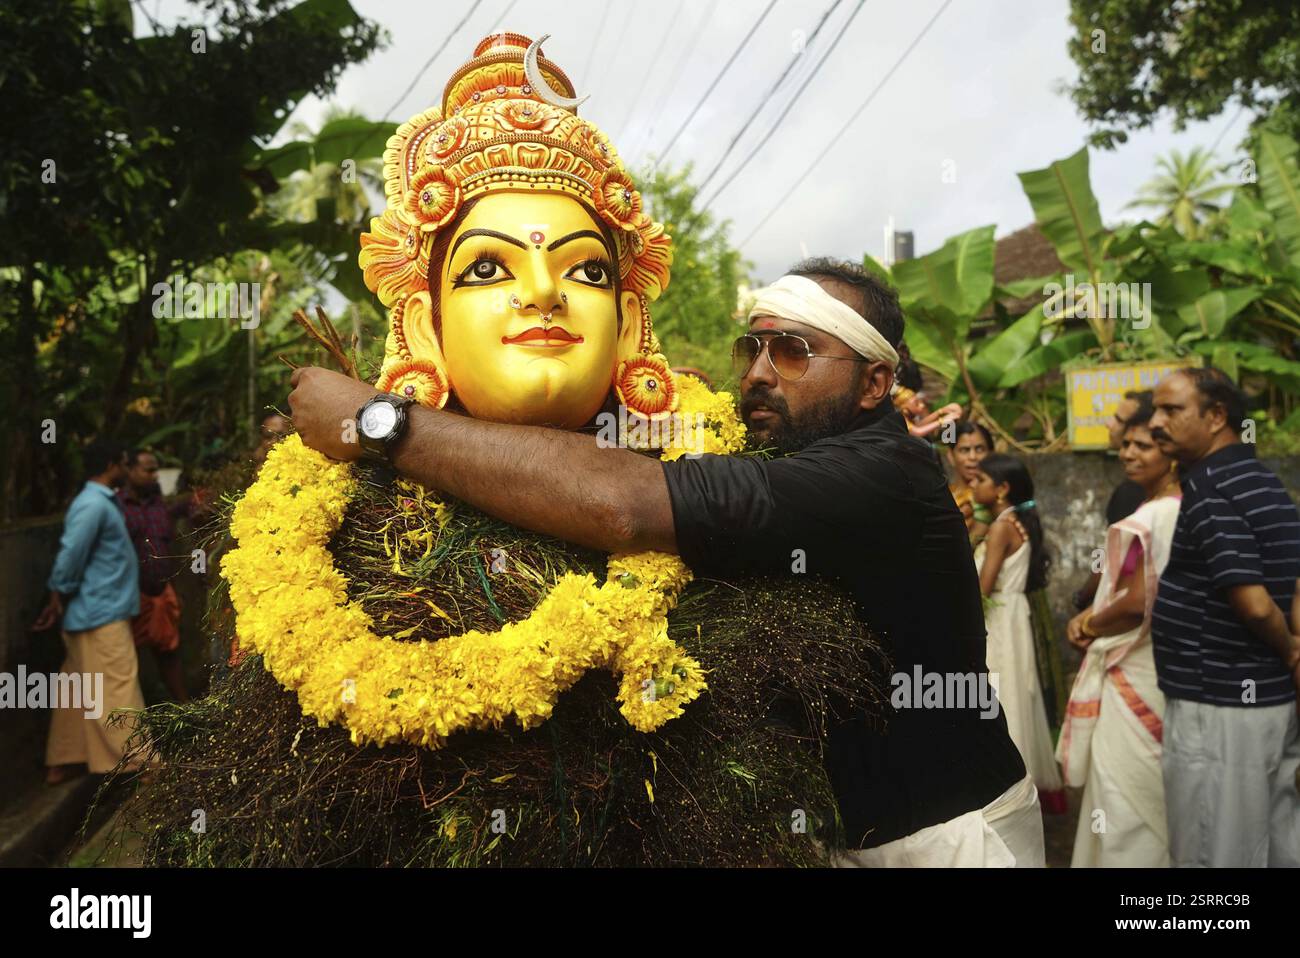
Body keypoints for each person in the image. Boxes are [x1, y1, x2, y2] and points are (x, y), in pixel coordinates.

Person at [290, 251, 1042, 866]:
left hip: (945, 840)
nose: (757, 373)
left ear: (877, 382)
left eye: (793, 351)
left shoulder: (882, 474)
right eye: (753, 347)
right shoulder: (772, 450)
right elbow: (609, 453)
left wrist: (377, 424)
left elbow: (626, 503)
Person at [1150, 367, 1300, 867]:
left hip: (1219, 703)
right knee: (1275, 840)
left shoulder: (1212, 488)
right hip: (1265, 700)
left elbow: (1254, 603)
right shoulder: (1262, 481)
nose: (1155, 422)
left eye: (1172, 410)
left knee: (1215, 850)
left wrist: (1290, 649)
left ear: (1216, 417)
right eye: (1156, 409)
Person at [1057, 392, 1180, 867]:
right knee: (1150, 797)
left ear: (1170, 454)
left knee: (1125, 796)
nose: (1129, 453)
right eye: (1126, 444)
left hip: (1134, 665)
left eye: (1143, 446)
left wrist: (1086, 621)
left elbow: (1134, 602)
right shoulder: (1176, 510)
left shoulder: (1152, 517)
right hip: (1159, 671)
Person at [32, 439, 148, 784]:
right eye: (125, 463)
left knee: (76, 688)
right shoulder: (93, 506)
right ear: (113, 464)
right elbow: (70, 554)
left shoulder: (97, 503)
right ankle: (143, 762)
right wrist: (58, 593)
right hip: (100, 614)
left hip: (93, 611)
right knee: (116, 688)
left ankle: (64, 759)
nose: (128, 470)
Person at [969, 453, 1066, 814]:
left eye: (980, 480)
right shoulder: (1017, 523)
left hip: (998, 622)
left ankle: (1002, 789)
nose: (973, 485)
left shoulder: (1001, 528)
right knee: (1011, 693)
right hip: (1013, 618)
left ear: (1002, 489)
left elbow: (983, 588)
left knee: (1000, 695)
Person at [116, 448, 191, 703]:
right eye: (148, 469)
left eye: (155, 469)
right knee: (128, 661)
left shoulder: (159, 503)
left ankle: (183, 712)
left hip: (162, 591)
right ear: (130, 470)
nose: (154, 475)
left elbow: (169, 545)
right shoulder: (116, 507)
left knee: (169, 653)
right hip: (132, 596)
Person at [1071, 390, 1147, 612]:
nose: (1108, 424)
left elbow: (1111, 558)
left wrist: (1085, 596)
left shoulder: (1132, 493)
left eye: (1119, 420)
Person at [947, 420, 994, 545]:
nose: (972, 457)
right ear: (951, 456)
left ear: (991, 454)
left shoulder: (998, 497)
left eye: (979, 449)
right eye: (964, 450)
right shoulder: (943, 496)